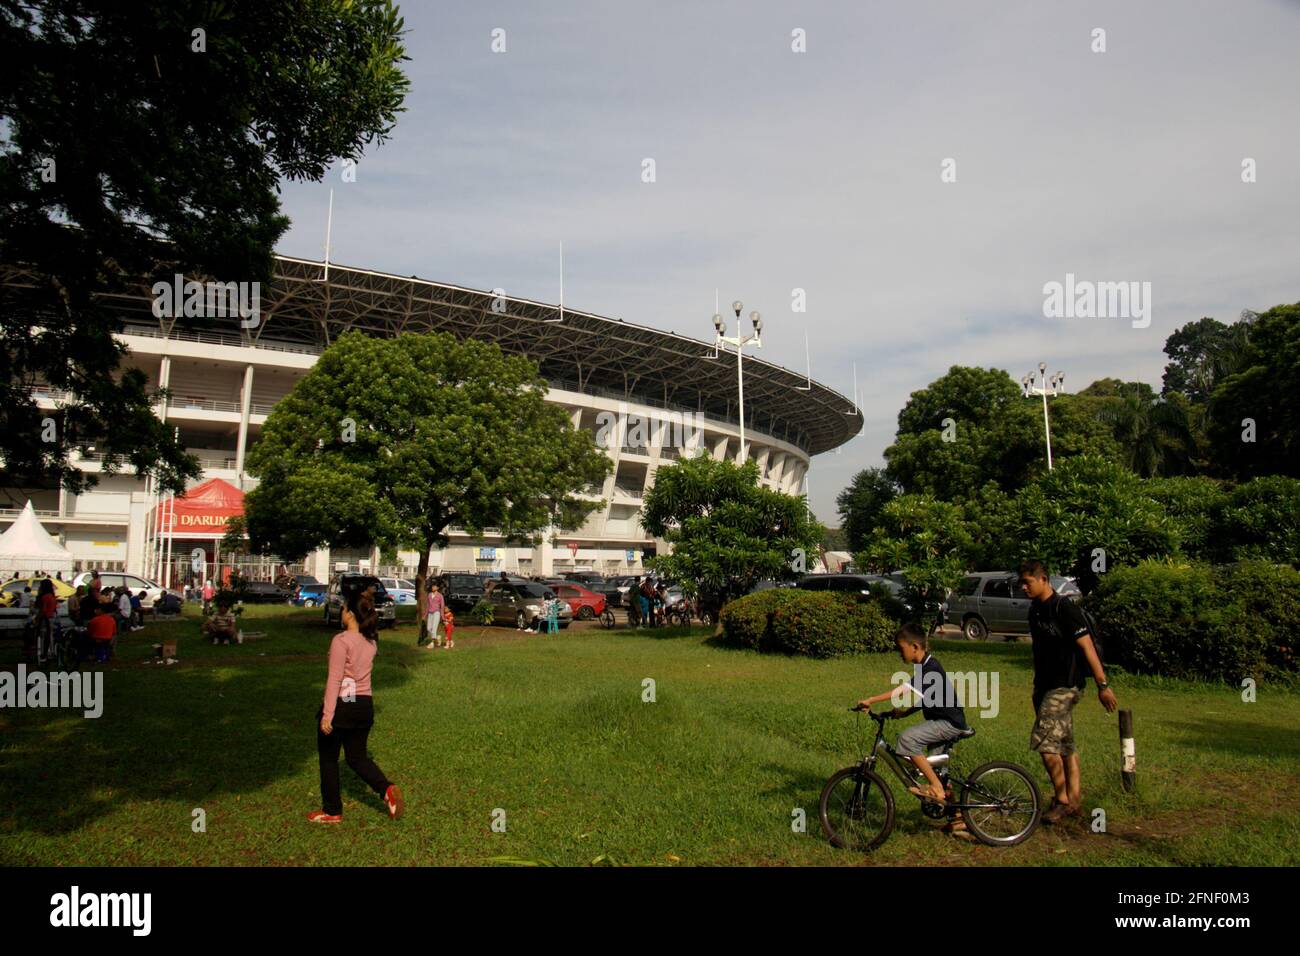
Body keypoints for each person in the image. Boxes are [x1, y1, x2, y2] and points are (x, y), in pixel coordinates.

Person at [1019, 560, 1118, 825]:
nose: (1023, 587)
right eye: (1022, 582)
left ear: (1043, 580)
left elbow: (1088, 648)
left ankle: (1061, 800)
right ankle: (1074, 801)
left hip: (1066, 685)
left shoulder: (1065, 608)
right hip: (1044, 685)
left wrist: (1103, 686)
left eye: (1028, 582)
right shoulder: (1034, 610)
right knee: (1064, 744)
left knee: (1045, 743)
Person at [857, 622, 973, 839]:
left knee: (907, 739)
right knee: (938, 769)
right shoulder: (924, 666)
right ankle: (958, 818)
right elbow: (927, 698)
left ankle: (936, 787)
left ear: (915, 647)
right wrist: (904, 713)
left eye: (901, 648)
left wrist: (871, 699)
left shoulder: (931, 667)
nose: (899, 652)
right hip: (944, 720)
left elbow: (902, 690)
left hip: (948, 723)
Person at [310, 593, 403, 824]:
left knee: (329, 759)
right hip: (363, 704)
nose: (341, 613)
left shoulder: (341, 640)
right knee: (357, 757)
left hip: (343, 704)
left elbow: (335, 679)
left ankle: (332, 811)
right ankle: (386, 789)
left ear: (350, 613)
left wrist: (327, 715)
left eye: (343, 609)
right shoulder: (371, 641)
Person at [35, 579, 58, 666]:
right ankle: (50, 652)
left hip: (45, 619)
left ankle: (43, 654)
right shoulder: (52, 596)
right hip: (51, 618)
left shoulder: (44, 597)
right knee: (50, 636)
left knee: (43, 637)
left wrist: (37, 619)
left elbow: (43, 610)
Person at [424, 580, 445, 649]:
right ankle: (437, 637)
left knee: (434, 629)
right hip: (430, 613)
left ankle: (432, 643)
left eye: (434, 586)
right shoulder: (429, 595)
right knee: (428, 628)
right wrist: (425, 615)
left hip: (437, 613)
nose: (433, 587)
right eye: (432, 586)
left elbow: (442, 606)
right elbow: (427, 605)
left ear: (437, 588)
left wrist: (442, 616)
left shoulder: (440, 596)